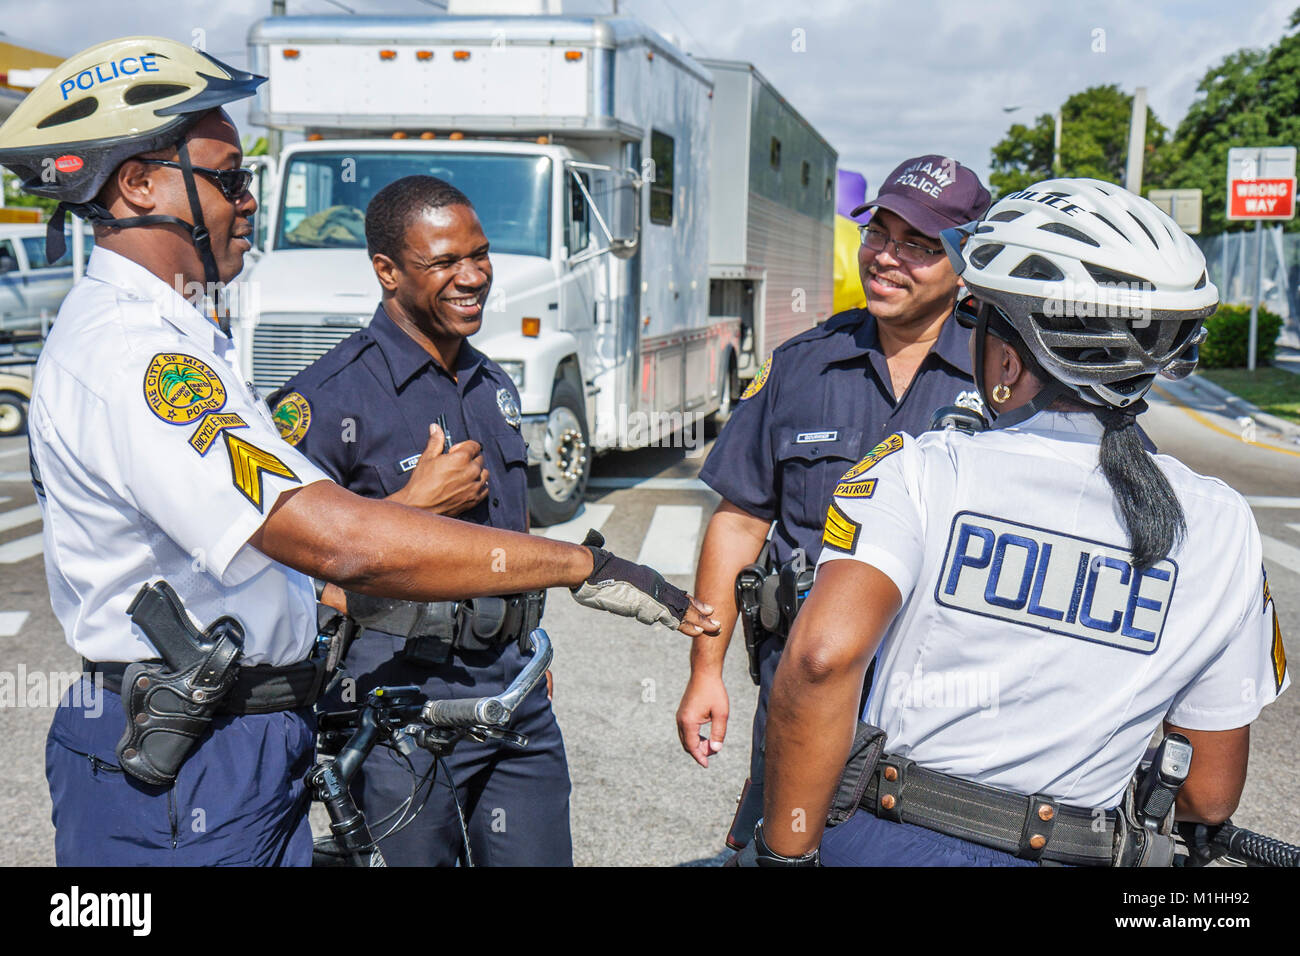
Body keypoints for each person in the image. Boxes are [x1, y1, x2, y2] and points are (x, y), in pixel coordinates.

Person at [0, 36, 717, 866]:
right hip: (190, 761)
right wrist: (579, 565)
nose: (248, 203)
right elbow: (335, 540)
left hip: (240, 739)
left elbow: (307, 550)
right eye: (231, 179)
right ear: (140, 185)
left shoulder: (178, 340)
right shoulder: (140, 356)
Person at [748, 178, 1289, 866]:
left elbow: (821, 661)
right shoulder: (1219, 524)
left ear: (1008, 355)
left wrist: (785, 855)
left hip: (892, 837)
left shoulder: (918, 471)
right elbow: (1210, 794)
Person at [676, 155, 991, 847]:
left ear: (965, 263)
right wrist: (705, 672)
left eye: (919, 245)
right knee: (777, 849)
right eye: (880, 232)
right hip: (798, 688)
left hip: (939, 711)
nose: (886, 258)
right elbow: (738, 522)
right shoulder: (803, 364)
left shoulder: (1003, 377)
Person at [267, 175, 574, 865]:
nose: (473, 277)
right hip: (394, 702)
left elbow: (508, 538)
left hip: (513, 691)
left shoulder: (494, 385)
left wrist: (525, 641)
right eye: (444, 263)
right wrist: (412, 510)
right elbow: (286, 570)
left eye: (481, 254)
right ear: (387, 270)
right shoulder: (322, 400)